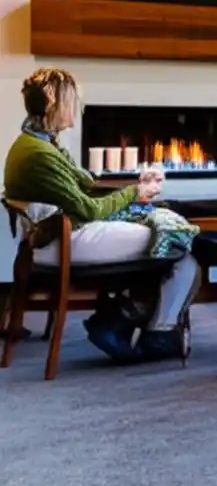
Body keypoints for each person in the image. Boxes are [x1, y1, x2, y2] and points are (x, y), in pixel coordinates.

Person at [2, 68, 201, 361]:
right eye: (72, 100)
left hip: (53, 235)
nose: (77, 107)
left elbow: (82, 186)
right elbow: (89, 209)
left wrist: (133, 187)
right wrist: (135, 192)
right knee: (178, 243)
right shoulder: (39, 154)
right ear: (53, 104)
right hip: (64, 240)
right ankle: (148, 330)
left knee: (166, 237)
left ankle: (120, 318)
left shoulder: (37, 142)